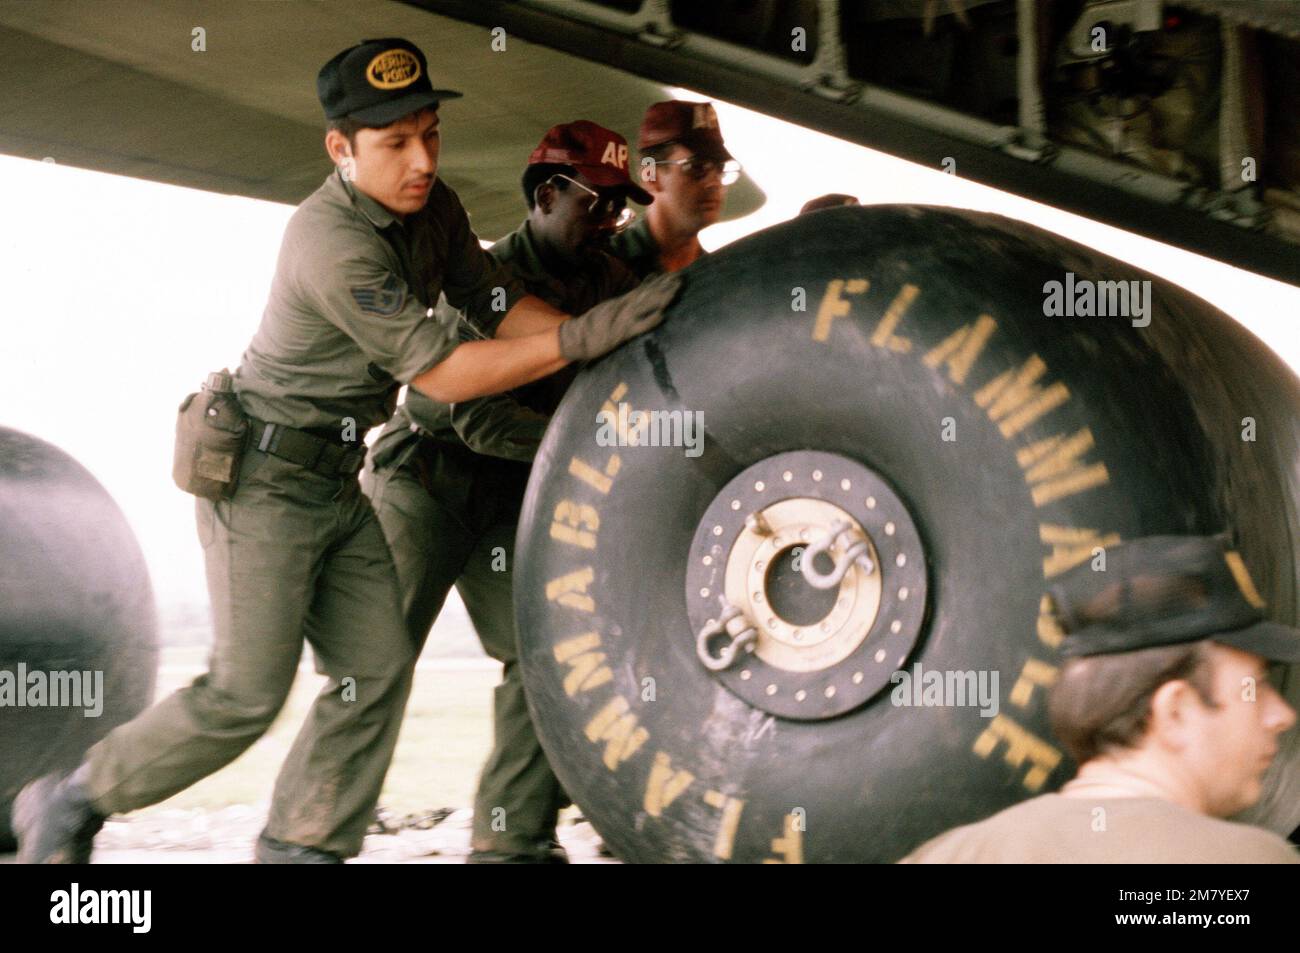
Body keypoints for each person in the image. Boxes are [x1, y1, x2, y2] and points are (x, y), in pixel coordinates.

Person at [14, 39, 676, 865]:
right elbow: (446, 368)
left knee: (375, 667)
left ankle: (302, 846)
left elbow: (493, 301)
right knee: (244, 694)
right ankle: (74, 797)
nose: (423, 159)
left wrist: (603, 337)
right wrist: (581, 337)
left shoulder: (433, 212)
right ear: (342, 147)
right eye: (395, 142)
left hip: (338, 479)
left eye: (430, 133)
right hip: (261, 478)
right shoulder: (329, 241)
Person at [364, 120, 649, 863]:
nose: (612, 220)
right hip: (427, 479)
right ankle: (308, 835)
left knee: (544, 658)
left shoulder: (609, 280)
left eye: (622, 206)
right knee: (373, 658)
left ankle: (510, 839)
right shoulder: (482, 282)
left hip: (518, 495)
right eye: (597, 202)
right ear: (547, 194)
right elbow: (481, 417)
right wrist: (592, 443)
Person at [901, 535, 1300, 864]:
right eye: (1257, 685)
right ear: (1175, 711)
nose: (1282, 715)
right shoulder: (1249, 860)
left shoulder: (944, 857)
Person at [609, 100, 740, 276]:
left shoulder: (718, 278)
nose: (714, 183)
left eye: (720, 168)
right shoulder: (604, 265)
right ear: (650, 174)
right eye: (697, 166)